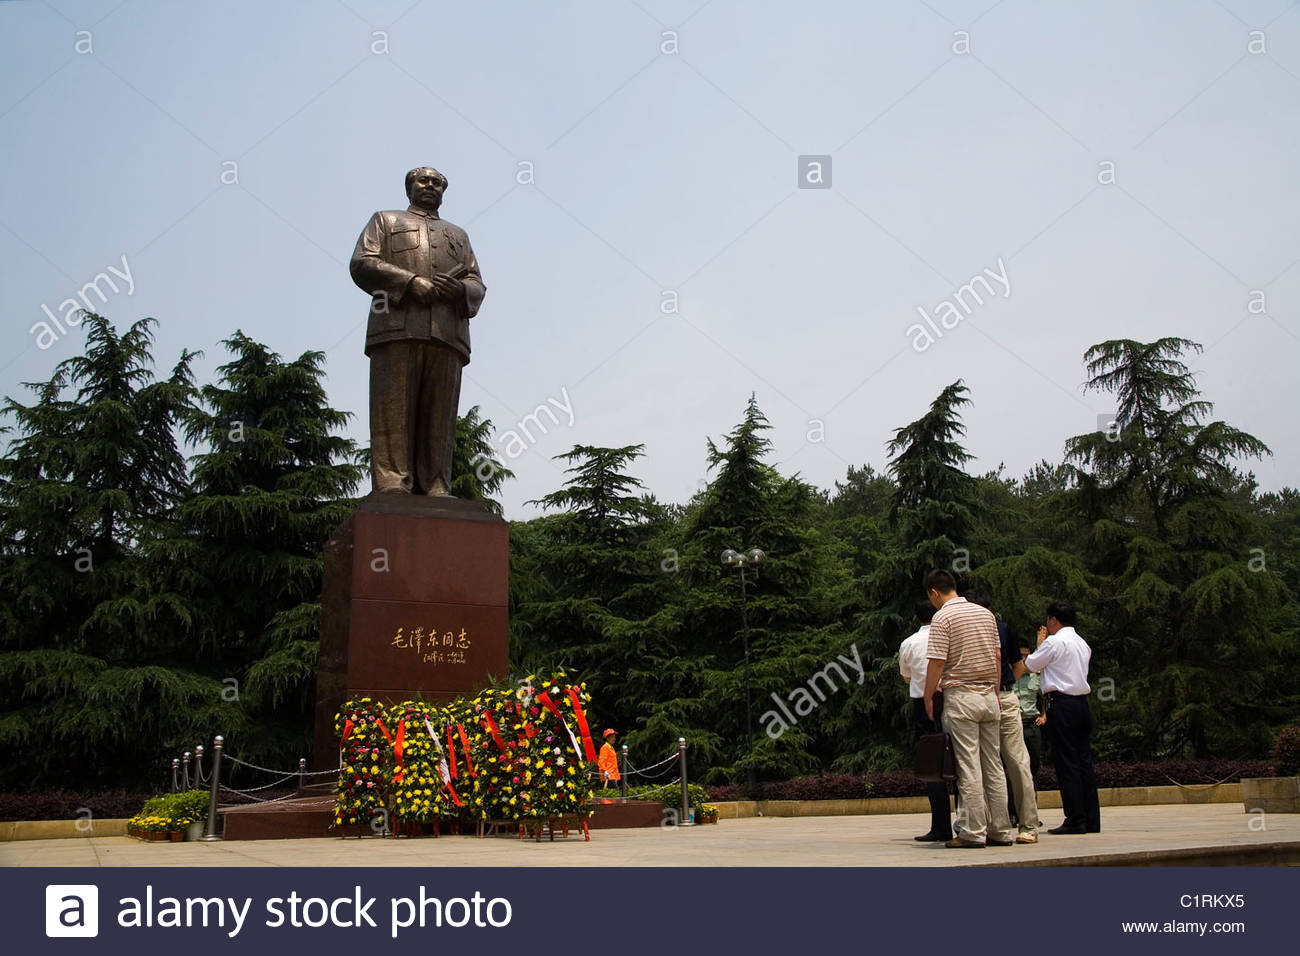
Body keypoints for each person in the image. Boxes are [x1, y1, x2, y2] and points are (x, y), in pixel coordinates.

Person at [350, 166, 487, 496]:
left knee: (439, 415)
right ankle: (392, 481)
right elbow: (362, 263)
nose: (431, 186)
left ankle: (436, 483)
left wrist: (458, 291)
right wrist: (410, 282)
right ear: (409, 187)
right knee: (392, 411)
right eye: (424, 181)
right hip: (396, 327)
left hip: (446, 334)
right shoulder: (385, 221)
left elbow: (476, 282)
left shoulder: (459, 236)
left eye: (438, 183)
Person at [922, 570, 1013, 848]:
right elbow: (998, 657)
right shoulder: (986, 615)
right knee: (994, 766)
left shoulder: (943, 617)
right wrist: (995, 692)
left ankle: (973, 831)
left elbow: (937, 662)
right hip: (989, 696)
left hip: (962, 697)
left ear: (934, 593)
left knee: (968, 766)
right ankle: (1000, 829)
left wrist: (928, 697)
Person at [966, 591, 1040, 844]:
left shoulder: (966, 630)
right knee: (1016, 761)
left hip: (979, 698)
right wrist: (1006, 687)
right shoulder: (1002, 627)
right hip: (1004, 697)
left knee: (983, 764)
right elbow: (1018, 666)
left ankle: (990, 825)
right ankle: (1027, 825)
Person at [1024, 601, 1101, 835]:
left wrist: (1039, 645)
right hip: (1081, 704)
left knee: (1066, 761)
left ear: (1054, 620)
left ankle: (1075, 818)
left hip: (1062, 703)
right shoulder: (1082, 643)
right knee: (1084, 761)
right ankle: (1091, 818)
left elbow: (1030, 665)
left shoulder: (1054, 642)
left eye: (1048, 620)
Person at [899, 599, 952, 842]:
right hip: (951, 699)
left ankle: (940, 826)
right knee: (963, 760)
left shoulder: (909, 643)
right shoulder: (950, 637)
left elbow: (907, 677)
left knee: (933, 765)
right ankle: (969, 823)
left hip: (923, 703)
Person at [1015, 641, 1043, 779]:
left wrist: (1044, 716)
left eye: (1027, 655)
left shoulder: (1035, 676)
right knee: (1014, 766)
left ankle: (1032, 798)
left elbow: (1048, 696)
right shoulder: (1008, 675)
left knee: (1034, 764)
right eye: (1021, 656)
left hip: (1031, 724)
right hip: (1013, 724)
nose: (1024, 659)